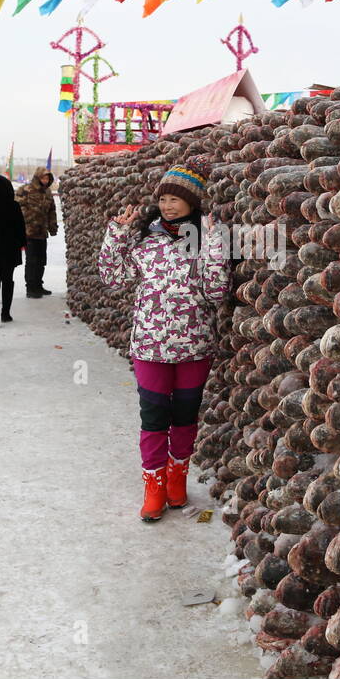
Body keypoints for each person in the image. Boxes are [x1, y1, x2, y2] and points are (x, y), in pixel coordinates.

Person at [97, 154, 228, 522]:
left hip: (194, 344)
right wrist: (117, 235)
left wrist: (216, 243)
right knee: (153, 417)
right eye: (163, 198)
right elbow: (114, 278)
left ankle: (177, 479)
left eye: (175, 198)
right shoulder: (145, 240)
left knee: (185, 418)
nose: (167, 205)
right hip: (151, 346)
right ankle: (152, 486)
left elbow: (217, 292)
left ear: (192, 202)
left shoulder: (203, 241)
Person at [0, 175, 26, 323]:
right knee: (8, 280)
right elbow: (20, 227)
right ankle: (6, 313)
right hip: (10, 249)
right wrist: (22, 243)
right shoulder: (14, 205)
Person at [16, 168, 57, 298]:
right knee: (31, 261)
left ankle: (38, 285)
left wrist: (52, 227)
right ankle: (30, 288)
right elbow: (16, 207)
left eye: (47, 179)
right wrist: (26, 219)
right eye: (43, 178)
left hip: (42, 232)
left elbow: (52, 211)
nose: (45, 181)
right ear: (37, 177)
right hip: (29, 232)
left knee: (41, 260)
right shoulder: (25, 190)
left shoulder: (48, 192)